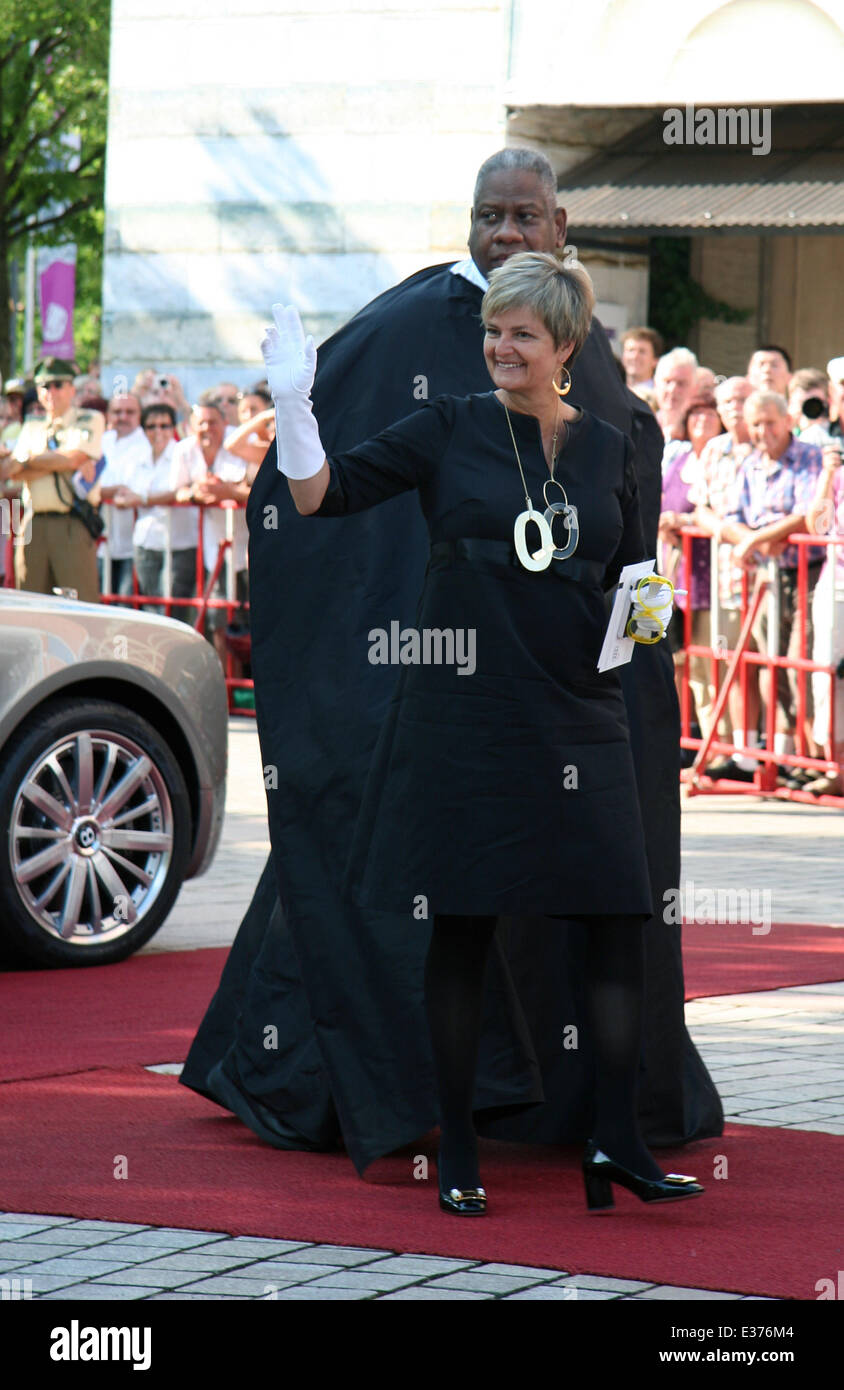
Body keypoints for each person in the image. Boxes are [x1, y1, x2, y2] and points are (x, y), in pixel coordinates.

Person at [181, 147, 722, 1175]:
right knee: (453, 924)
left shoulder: (604, 408)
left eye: (525, 217)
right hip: (459, 706)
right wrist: (294, 408)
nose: (505, 235)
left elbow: (633, 556)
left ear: (559, 243)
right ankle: (456, 1140)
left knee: (612, 914)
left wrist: (641, 635)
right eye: (489, 217)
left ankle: (612, 1135)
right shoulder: (426, 382)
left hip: (578, 709)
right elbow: (323, 502)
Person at [721, 391, 824, 778]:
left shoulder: (810, 457)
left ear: (786, 421)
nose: (764, 431)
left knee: (802, 660)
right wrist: (756, 537)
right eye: (756, 423)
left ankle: (811, 756)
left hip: (808, 574)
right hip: (768, 574)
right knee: (772, 662)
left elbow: (805, 514)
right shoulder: (750, 464)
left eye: (770, 422)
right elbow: (731, 516)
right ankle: (784, 757)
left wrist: (754, 538)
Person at [690, 377, 760, 779]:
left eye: (743, 399)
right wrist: (738, 536)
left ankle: (767, 751)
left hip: (772, 575)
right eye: (728, 400)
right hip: (726, 579)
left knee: (768, 668)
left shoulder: (773, 446)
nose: (735, 407)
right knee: (729, 665)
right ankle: (738, 751)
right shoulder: (715, 449)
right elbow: (701, 508)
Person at [2, 358, 103, 602]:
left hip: (71, 522)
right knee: (32, 604)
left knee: (80, 604)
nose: (51, 392)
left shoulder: (89, 419)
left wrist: (27, 460)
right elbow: (10, 471)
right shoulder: (31, 427)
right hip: (34, 522)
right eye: (44, 386)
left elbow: (73, 459)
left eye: (58, 384)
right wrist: (54, 461)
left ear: (71, 388)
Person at [658, 396, 724, 742]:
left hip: (713, 577)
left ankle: (713, 743)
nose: (702, 418)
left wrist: (684, 521)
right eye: (696, 411)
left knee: (709, 663)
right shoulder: (678, 459)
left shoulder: (721, 458)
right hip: (677, 573)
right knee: (679, 663)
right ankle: (681, 738)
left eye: (711, 412)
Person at [174, 398, 250, 665]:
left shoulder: (239, 445)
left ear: (225, 423)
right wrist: (196, 493)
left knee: (254, 621)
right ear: (192, 426)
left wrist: (223, 491)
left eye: (213, 422)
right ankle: (225, 689)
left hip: (250, 546)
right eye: (202, 423)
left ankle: (250, 692)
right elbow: (178, 490)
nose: (208, 428)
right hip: (215, 549)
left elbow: (250, 487)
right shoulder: (184, 450)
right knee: (219, 621)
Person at [112, 403, 199, 621]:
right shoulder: (138, 457)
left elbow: (180, 490)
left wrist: (142, 498)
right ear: (144, 430)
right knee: (151, 611)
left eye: (164, 425)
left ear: (173, 428)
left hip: (179, 544)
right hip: (145, 542)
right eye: (151, 426)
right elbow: (125, 490)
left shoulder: (185, 453)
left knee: (174, 612)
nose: (158, 431)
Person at [805, 442, 844, 796]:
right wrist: (828, 474)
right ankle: (836, 766)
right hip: (836, 582)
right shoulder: (836, 466)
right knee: (827, 672)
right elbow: (817, 527)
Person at [97, 393, 150, 598]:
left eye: (130, 412)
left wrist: (103, 491)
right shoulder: (102, 441)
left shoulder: (147, 444)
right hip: (102, 541)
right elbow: (85, 484)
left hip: (134, 543)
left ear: (139, 415)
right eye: (117, 412)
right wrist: (111, 489)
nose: (123, 417)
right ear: (108, 414)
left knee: (127, 606)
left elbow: (133, 489)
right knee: (100, 606)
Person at [654, 348, 699, 441]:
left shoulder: (700, 433)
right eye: (667, 381)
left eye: (681, 383)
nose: (672, 390)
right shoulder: (642, 426)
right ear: (655, 384)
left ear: (695, 389)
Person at [621, 327, 663, 392]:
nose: (635, 356)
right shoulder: (613, 392)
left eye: (642, 351)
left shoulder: (661, 395)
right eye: (631, 350)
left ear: (655, 360)